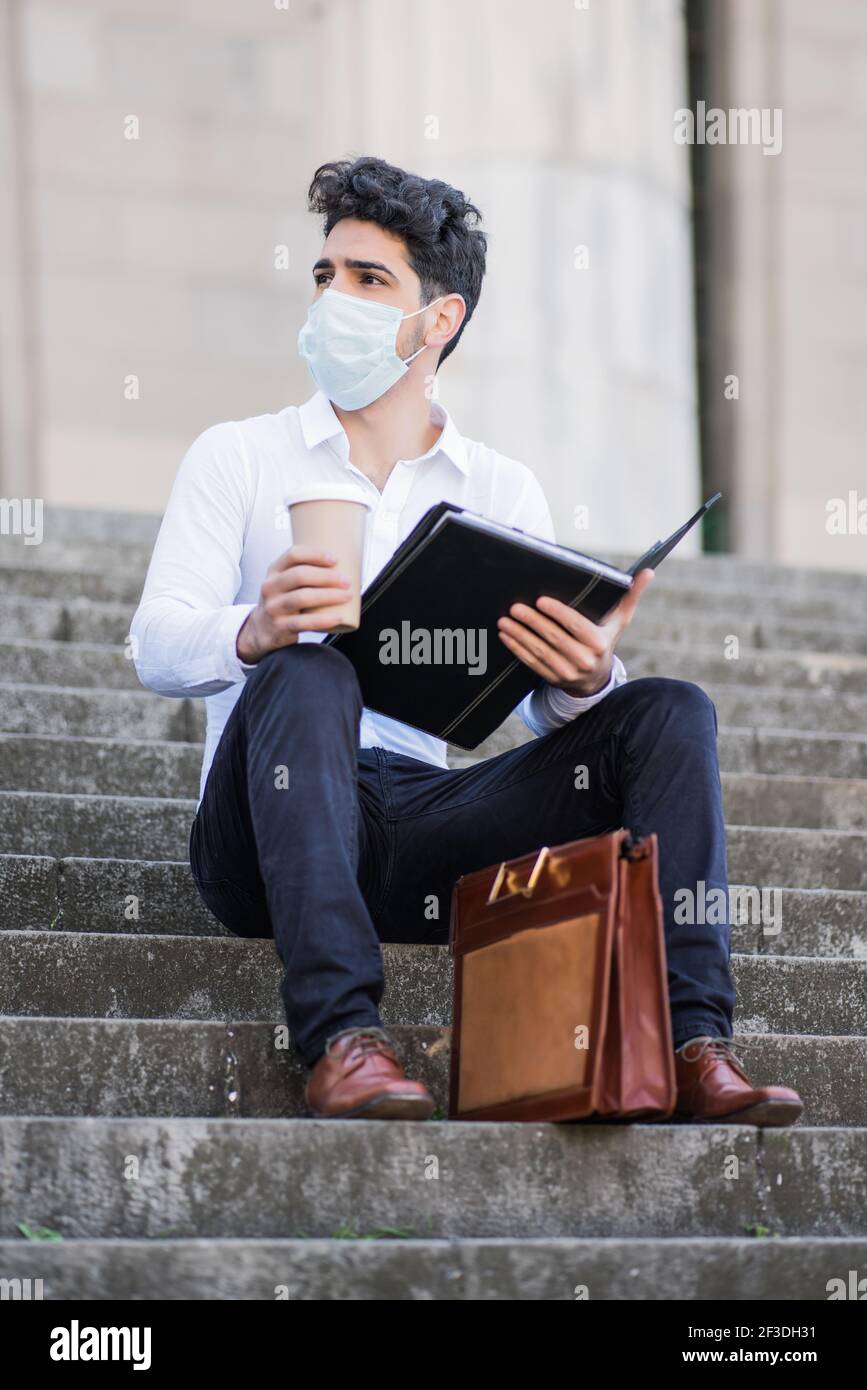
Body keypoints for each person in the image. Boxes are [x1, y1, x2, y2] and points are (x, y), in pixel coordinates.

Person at [130, 156, 802, 1127]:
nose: (335, 298)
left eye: (369, 279)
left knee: (665, 708)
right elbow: (155, 642)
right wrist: (253, 627)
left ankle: (695, 1044)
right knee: (311, 667)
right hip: (262, 831)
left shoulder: (497, 488)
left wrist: (580, 677)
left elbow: (527, 703)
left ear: (438, 319)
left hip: (416, 821)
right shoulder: (239, 453)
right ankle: (342, 1042)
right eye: (327, 275)